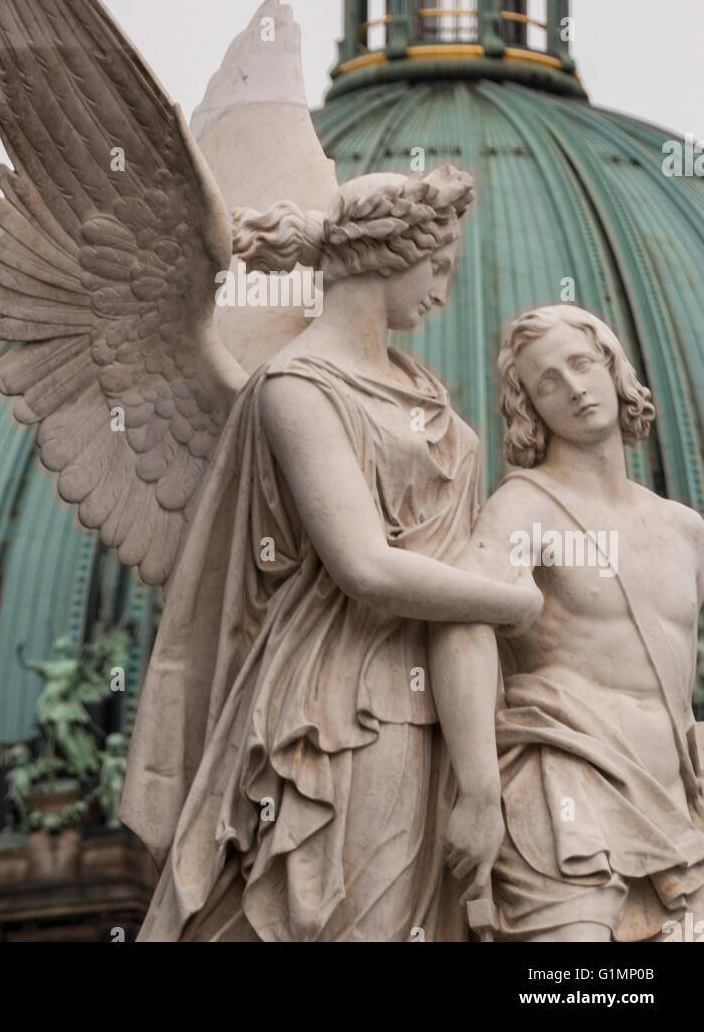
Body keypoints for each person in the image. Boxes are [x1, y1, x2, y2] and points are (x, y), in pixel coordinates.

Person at [120, 167, 541, 942]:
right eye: (438, 266)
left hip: (441, 708)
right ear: (389, 253)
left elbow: (443, 593)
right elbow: (367, 569)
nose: (444, 293)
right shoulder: (297, 388)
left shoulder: (423, 390)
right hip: (341, 706)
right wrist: (514, 601)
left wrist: (480, 777)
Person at [430, 304, 704, 942]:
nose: (575, 387)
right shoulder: (524, 508)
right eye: (548, 381)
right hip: (563, 791)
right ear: (530, 407)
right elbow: (461, 626)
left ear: (614, 370)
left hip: (674, 800)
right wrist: (477, 791)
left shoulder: (685, 529)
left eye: (583, 364)